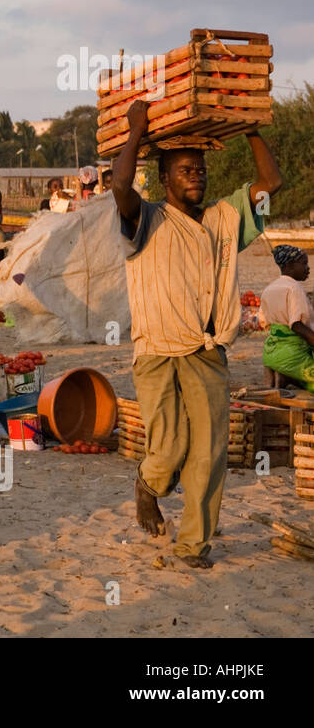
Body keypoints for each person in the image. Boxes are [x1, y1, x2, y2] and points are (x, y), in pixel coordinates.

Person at [112, 97, 282, 569]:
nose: (196, 176)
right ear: (165, 179)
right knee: (167, 450)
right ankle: (149, 485)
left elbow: (272, 183)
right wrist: (136, 132)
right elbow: (120, 185)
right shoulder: (144, 219)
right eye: (185, 170)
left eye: (201, 170)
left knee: (208, 454)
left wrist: (248, 128)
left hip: (208, 353)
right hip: (157, 351)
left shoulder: (227, 219)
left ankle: (192, 544)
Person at [260, 245, 314, 391]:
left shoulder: (269, 289)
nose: (308, 268)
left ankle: (282, 376)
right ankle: (287, 377)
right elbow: (296, 325)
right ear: (290, 266)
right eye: (304, 264)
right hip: (291, 354)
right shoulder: (294, 288)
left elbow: (264, 323)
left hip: (270, 353)